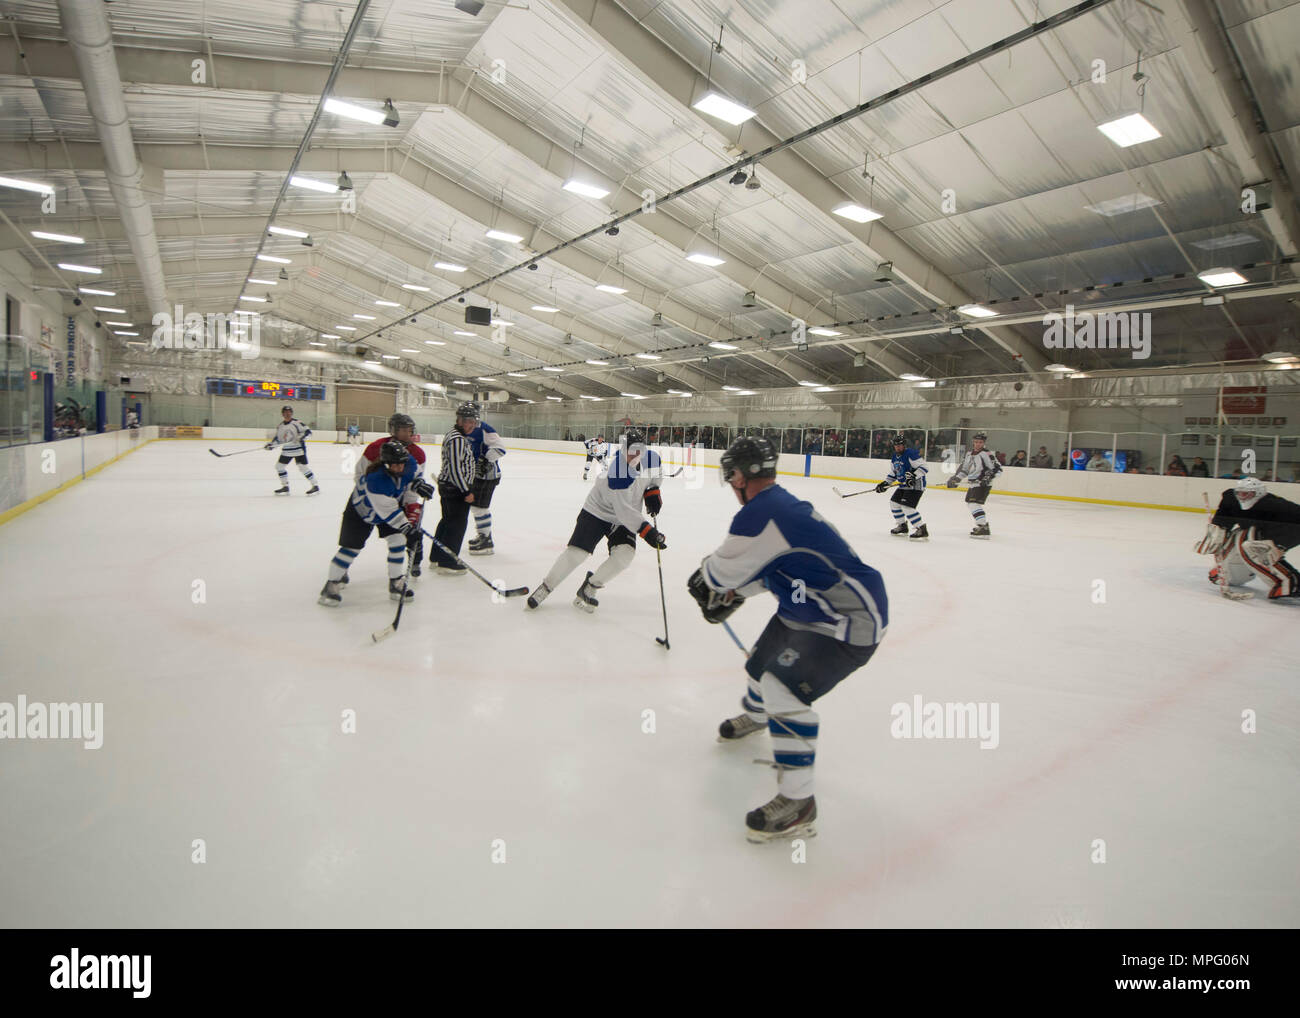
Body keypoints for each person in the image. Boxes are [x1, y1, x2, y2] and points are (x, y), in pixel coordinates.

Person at [689, 435, 887, 843]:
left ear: (740, 476)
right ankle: (759, 717)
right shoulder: (779, 505)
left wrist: (709, 584)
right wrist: (734, 593)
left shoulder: (760, 515)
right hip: (808, 608)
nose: (730, 483)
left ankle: (799, 803)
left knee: (784, 690)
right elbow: (773, 570)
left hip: (848, 620)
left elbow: (719, 575)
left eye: (731, 476)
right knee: (759, 666)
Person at [527, 429, 665, 612]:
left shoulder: (653, 460)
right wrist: (647, 531)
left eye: (638, 450)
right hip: (597, 511)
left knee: (624, 556)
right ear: (623, 449)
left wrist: (653, 491)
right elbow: (624, 511)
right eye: (630, 451)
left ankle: (589, 587)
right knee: (577, 553)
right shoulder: (619, 472)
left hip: (624, 519)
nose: (634, 455)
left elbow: (655, 478)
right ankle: (546, 587)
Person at [318, 440, 432, 607]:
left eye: (402, 464)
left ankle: (395, 583)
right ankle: (331, 585)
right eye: (395, 465)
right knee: (351, 548)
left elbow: (413, 476)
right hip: (361, 511)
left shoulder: (408, 463)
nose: (400, 468)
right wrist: (408, 529)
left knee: (398, 540)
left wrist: (419, 485)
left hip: (388, 504)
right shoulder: (376, 480)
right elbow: (390, 512)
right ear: (385, 464)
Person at [1198, 476, 1300, 600]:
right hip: (1248, 532)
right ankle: (1225, 573)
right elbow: (1223, 517)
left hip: (1272, 534)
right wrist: (1216, 532)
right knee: (1233, 541)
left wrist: (1280, 545)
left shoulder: (1275, 505)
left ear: (1259, 493)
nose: (1241, 497)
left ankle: (1291, 582)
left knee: (1253, 547)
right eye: (1239, 493)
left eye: (1246, 494)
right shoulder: (1231, 499)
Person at [356, 414, 428, 574]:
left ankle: (414, 561)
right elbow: (360, 473)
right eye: (402, 430)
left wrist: (412, 504)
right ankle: (343, 566)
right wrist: (373, 495)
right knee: (356, 537)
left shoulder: (418, 453)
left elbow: (415, 480)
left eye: (409, 431)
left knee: (412, 532)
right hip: (374, 500)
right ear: (393, 430)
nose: (407, 434)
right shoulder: (376, 447)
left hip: (402, 502)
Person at [427, 403, 480, 576]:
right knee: (456, 525)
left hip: (450, 487)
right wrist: (466, 491)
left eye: (473, 421)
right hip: (456, 489)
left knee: (447, 522)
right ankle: (448, 562)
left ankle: (437, 557)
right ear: (459, 420)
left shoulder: (455, 435)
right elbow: (456, 469)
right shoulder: (457, 439)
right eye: (468, 421)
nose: (471, 424)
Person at [465, 406, 507, 556]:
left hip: (488, 477)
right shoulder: (465, 430)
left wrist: (485, 460)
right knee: (476, 507)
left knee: (479, 507)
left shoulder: (484, 429)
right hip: (477, 476)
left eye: (470, 419)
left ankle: (486, 540)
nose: (467, 422)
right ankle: (483, 535)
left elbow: (501, 449)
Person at [946, 431, 1002, 538]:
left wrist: (986, 478)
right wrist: (956, 479)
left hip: (982, 484)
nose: (978, 444)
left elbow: (997, 469)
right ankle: (982, 525)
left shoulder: (986, 454)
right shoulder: (969, 454)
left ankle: (983, 526)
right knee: (970, 503)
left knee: (973, 504)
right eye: (976, 442)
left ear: (983, 443)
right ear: (973, 442)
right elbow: (964, 469)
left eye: (980, 442)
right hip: (973, 484)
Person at [876, 433, 929, 540]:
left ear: (904, 445)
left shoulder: (910, 454)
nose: (897, 447)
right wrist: (885, 483)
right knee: (894, 503)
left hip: (915, 485)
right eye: (896, 445)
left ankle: (921, 528)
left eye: (900, 445)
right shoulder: (895, 457)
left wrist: (913, 476)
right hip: (903, 485)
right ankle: (902, 526)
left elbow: (924, 467)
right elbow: (894, 473)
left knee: (907, 507)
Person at [266, 405, 318, 495]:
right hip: (287, 450)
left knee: (302, 467)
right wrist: (271, 445)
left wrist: (301, 437)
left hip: (298, 449)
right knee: (279, 467)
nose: (287, 414)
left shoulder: (297, 422)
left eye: (289, 412)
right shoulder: (280, 426)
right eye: (285, 412)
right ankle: (285, 486)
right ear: (282, 414)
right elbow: (278, 440)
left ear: (292, 413)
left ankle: (315, 486)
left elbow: (308, 432)